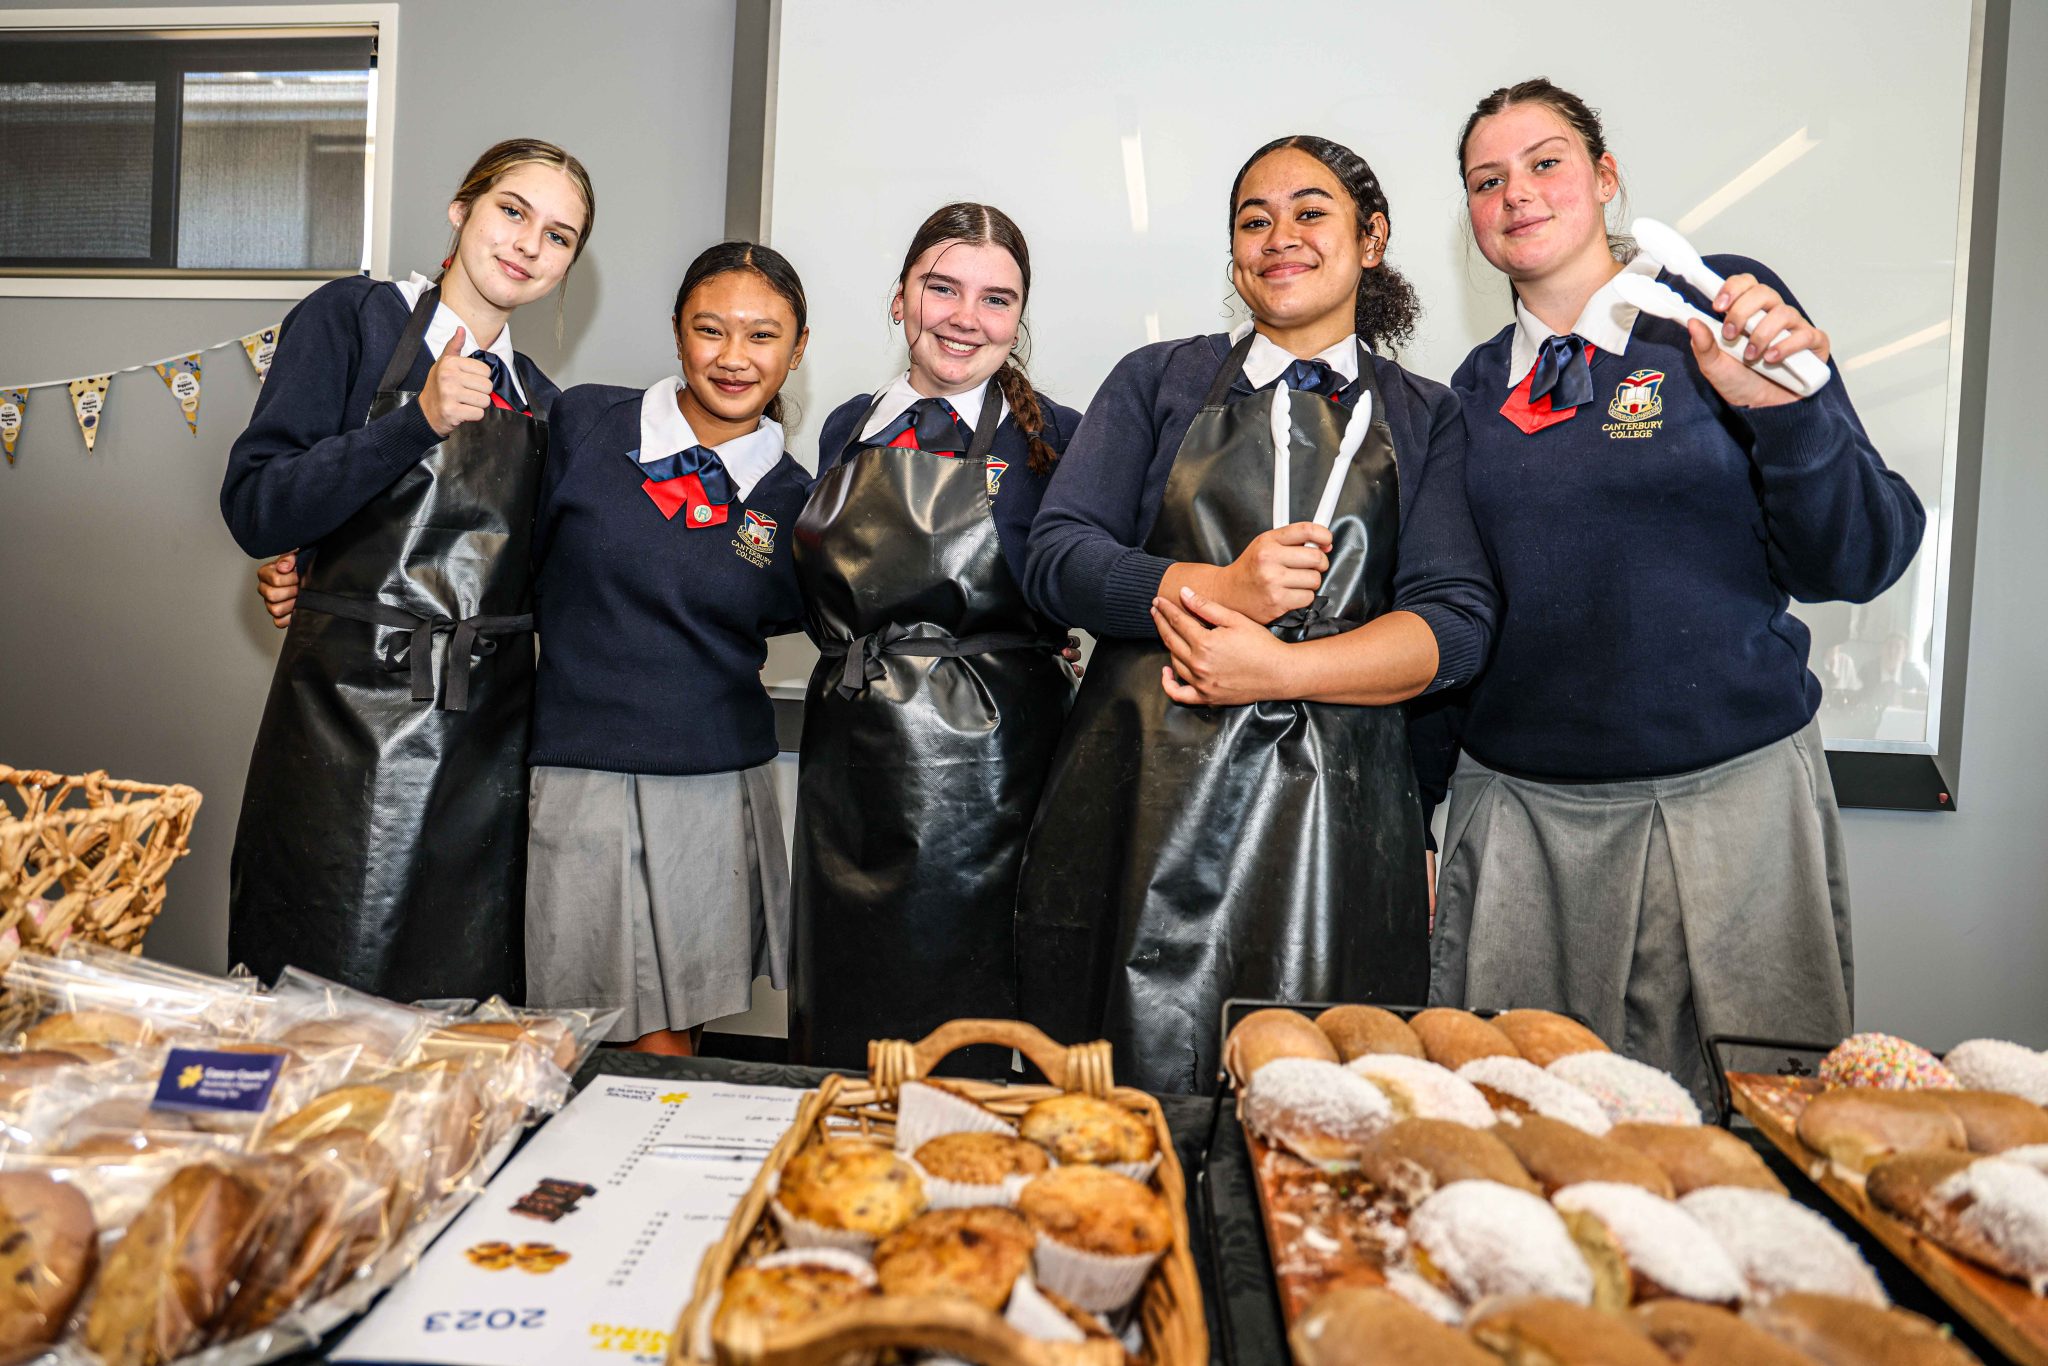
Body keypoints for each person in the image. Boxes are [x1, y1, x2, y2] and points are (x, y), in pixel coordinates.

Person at [1425, 79, 1926, 1106]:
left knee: (1750, 1131)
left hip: (1730, 806)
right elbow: (1453, 624)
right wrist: (1412, 819)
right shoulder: (1465, 397)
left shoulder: (1721, 312)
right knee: (1520, 1135)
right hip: (1522, 821)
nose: (1516, 192)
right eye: (1487, 180)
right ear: (1470, 216)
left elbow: (1861, 557)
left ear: (1605, 179)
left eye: (1546, 161)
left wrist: (1788, 410)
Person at [1018, 136, 1498, 1095]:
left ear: (1373, 238)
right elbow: (1057, 558)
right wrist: (1215, 589)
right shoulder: (1158, 380)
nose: (1280, 236)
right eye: (1254, 219)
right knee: (1121, 1098)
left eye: (1311, 212)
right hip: (1141, 801)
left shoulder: (1427, 413)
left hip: (1338, 819)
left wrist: (1282, 672)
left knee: (1318, 1106)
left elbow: (1454, 625)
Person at [222, 138, 594, 1000]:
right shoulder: (353, 319)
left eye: (560, 235)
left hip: (484, 745)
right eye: (512, 211)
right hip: (342, 732)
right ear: (462, 211)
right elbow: (257, 508)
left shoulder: (539, 400)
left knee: (455, 1001)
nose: (529, 244)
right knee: (316, 994)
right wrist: (414, 421)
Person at [789, 203, 1082, 1073]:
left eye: (997, 300)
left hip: (993, 774)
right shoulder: (849, 424)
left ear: (1019, 321)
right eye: (942, 288)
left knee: (977, 1016)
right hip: (851, 761)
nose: (965, 317)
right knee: (846, 1001)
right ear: (900, 297)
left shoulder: (1057, 436)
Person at [521, 243, 813, 1055]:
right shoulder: (585, 424)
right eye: (710, 330)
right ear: (678, 334)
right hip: (580, 767)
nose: (733, 357)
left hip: (715, 778)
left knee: (673, 1036)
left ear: (798, 349)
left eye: (763, 336)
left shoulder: (798, 499)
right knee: (583, 1035)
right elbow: (485, 540)